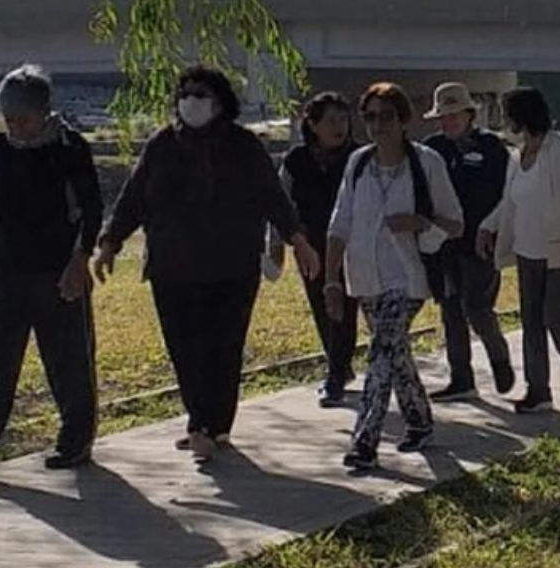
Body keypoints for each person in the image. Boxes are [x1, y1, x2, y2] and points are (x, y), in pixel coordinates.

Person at [94, 65, 320, 463]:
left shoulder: (243, 146)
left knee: (224, 347)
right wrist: (110, 242)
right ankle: (199, 424)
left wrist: (298, 240)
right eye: (186, 94)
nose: (191, 101)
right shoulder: (162, 145)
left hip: (231, 268)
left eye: (201, 94)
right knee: (185, 348)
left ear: (219, 102)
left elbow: (273, 198)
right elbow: (134, 198)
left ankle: (214, 426)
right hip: (173, 268)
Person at [0, 64, 102, 474]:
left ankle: (75, 442)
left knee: (68, 362)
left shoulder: (69, 148)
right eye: (8, 119)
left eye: (23, 120)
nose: (15, 128)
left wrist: (79, 261)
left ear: (43, 113)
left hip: (59, 271)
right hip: (7, 271)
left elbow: (92, 210)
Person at [326, 82, 463, 471]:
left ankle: (365, 441)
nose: (377, 125)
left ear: (404, 121)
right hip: (366, 278)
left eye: (386, 116)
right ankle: (419, 420)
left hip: (409, 278)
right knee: (394, 352)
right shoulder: (358, 165)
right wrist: (332, 281)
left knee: (381, 352)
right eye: (369, 117)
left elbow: (455, 223)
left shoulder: (426, 164)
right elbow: (340, 225)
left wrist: (419, 222)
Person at [478, 87, 560, 414]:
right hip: (528, 251)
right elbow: (509, 202)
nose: (505, 121)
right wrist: (488, 226)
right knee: (531, 322)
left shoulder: (558, 149)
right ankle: (538, 390)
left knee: (555, 317)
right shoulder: (517, 157)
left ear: (522, 115)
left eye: (508, 114)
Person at [422, 82, 515, 402]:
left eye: (453, 115)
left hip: (481, 242)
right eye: (442, 117)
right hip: (444, 244)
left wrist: (493, 230)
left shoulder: (492, 147)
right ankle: (461, 377)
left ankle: (499, 358)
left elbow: (506, 195)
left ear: (468, 114)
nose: (448, 122)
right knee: (450, 311)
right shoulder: (432, 149)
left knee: (478, 308)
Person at [267, 92, 360, 408]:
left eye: (344, 119)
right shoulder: (296, 160)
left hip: (351, 244)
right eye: (331, 120)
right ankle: (339, 367)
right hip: (310, 246)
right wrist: (279, 245)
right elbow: (280, 204)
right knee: (322, 307)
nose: (340, 127)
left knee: (344, 309)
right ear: (313, 125)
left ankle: (335, 376)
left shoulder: (360, 157)